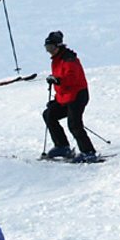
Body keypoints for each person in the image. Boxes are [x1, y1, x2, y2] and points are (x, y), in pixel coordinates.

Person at [41, 31, 98, 162]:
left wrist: (58, 80)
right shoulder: (56, 60)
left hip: (78, 96)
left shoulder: (69, 59)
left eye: (51, 48)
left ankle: (88, 152)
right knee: (49, 114)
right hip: (66, 97)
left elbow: (71, 79)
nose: (49, 51)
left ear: (58, 46)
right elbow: (61, 83)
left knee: (74, 124)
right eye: (47, 49)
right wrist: (56, 99)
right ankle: (62, 146)